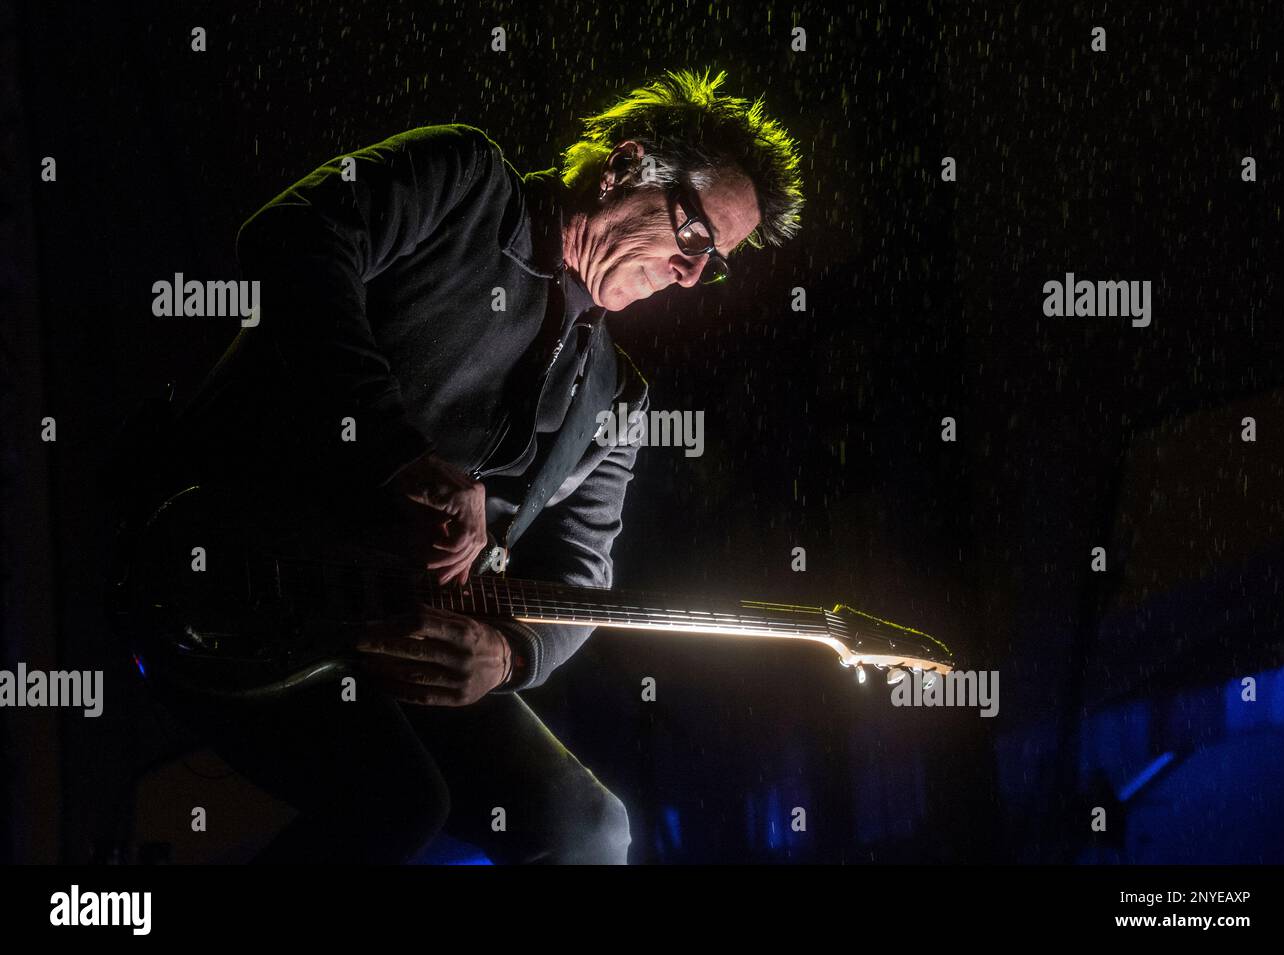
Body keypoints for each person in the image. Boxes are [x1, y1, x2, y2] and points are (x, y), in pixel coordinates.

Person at [134, 68, 803, 863]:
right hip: (225, 562)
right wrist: (394, 453)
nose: (693, 274)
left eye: (715, 261)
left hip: (388, 632)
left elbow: (580, 577)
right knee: (397, 800)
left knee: (588, 828)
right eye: (694, 234)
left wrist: (510, 655)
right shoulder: (466, 179)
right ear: (626, 165)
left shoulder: (618, 398)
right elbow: (293, 237)